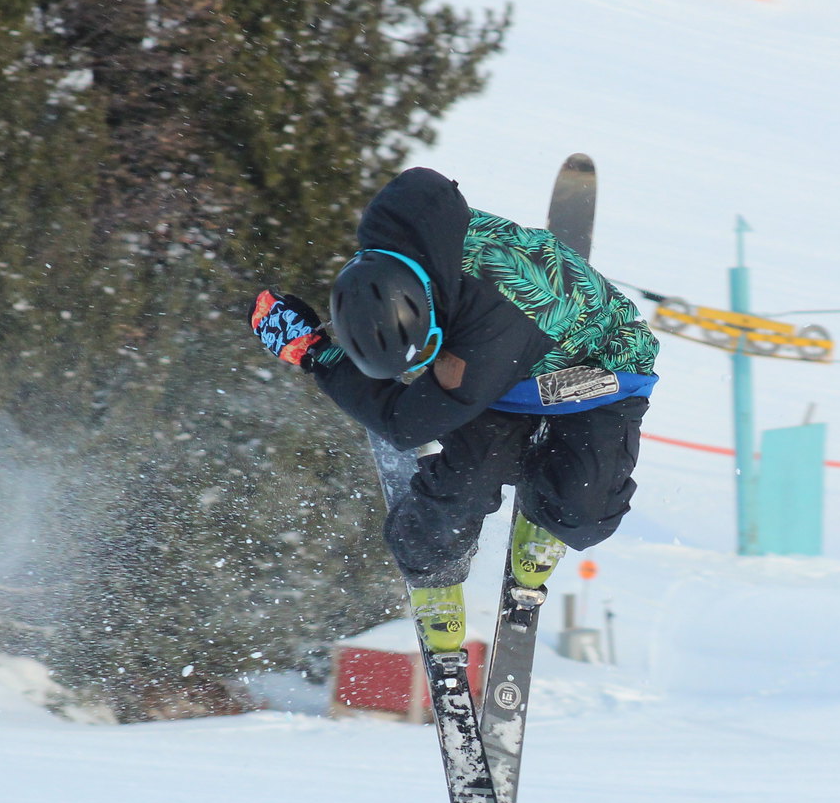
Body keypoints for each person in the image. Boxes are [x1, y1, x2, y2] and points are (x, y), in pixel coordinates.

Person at [249, 166, 658, 650]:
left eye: (424, 355)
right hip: (496, 372)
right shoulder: (397, 253)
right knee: (465, 484)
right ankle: (434, 565)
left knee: (584, 513)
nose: (419, 367)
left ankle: (549, 507)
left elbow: (404, 424)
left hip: (594, 373)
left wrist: (314, 353)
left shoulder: (495, 313)